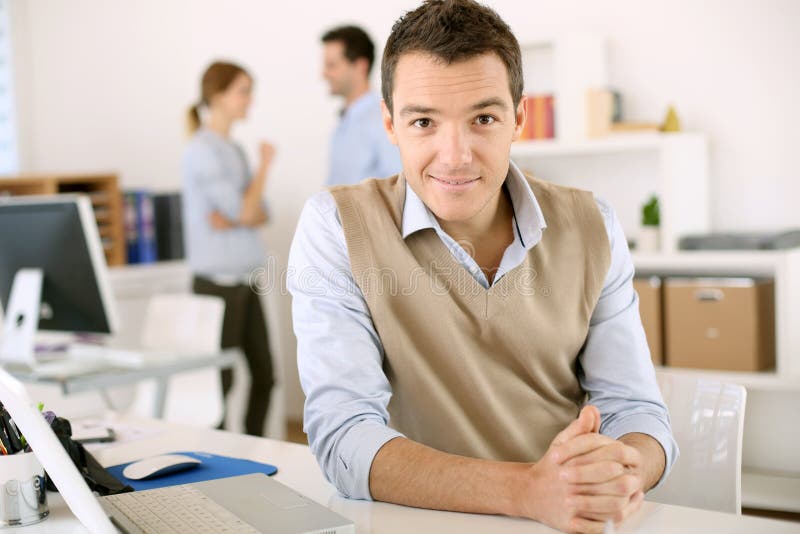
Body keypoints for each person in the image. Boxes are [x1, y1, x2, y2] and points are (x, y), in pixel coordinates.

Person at [289, 1, 678, 533]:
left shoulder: (592, 223)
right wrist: (527, 491)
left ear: (519, 118)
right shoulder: (335, 226)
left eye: (483, 118)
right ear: (390, 123)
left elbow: (636, 410)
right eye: (424, 121)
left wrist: (624, 470)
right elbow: (343, 438)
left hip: (566, 521)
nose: (455, 156)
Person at [182, 61, 274, 437]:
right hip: (216, 284)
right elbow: (247, 209)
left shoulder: (233, 150)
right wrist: (265, 167)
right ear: (218, 96)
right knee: (218, 386)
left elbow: (259, 212)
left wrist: (239, 213)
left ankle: (256, 450)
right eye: (243, 90)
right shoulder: (201, 151)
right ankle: (217, 461)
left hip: (246, 279)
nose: (250, 99)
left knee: (265, 375)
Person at [321, 25, 401, 185]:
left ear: (360, 66)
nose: (323, 73)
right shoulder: (346, 121)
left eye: (331, 65)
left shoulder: (381, 120)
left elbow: (398, 187)